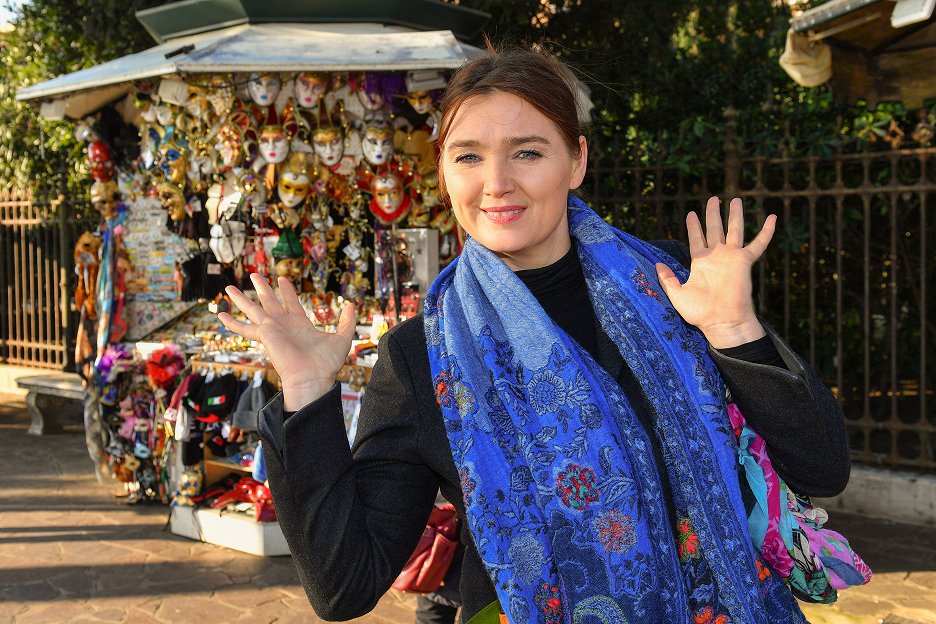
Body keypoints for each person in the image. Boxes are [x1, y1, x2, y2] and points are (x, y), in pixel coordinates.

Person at [219, 46, 849, 624]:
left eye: (527, 151)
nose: (496, 182)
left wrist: (735, 331)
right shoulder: (423, 356)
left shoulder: (673, 289)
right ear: (443, 171)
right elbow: (343, 587)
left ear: (575, 160)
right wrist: (305, 393)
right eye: (468, 155)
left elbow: (822, 467)